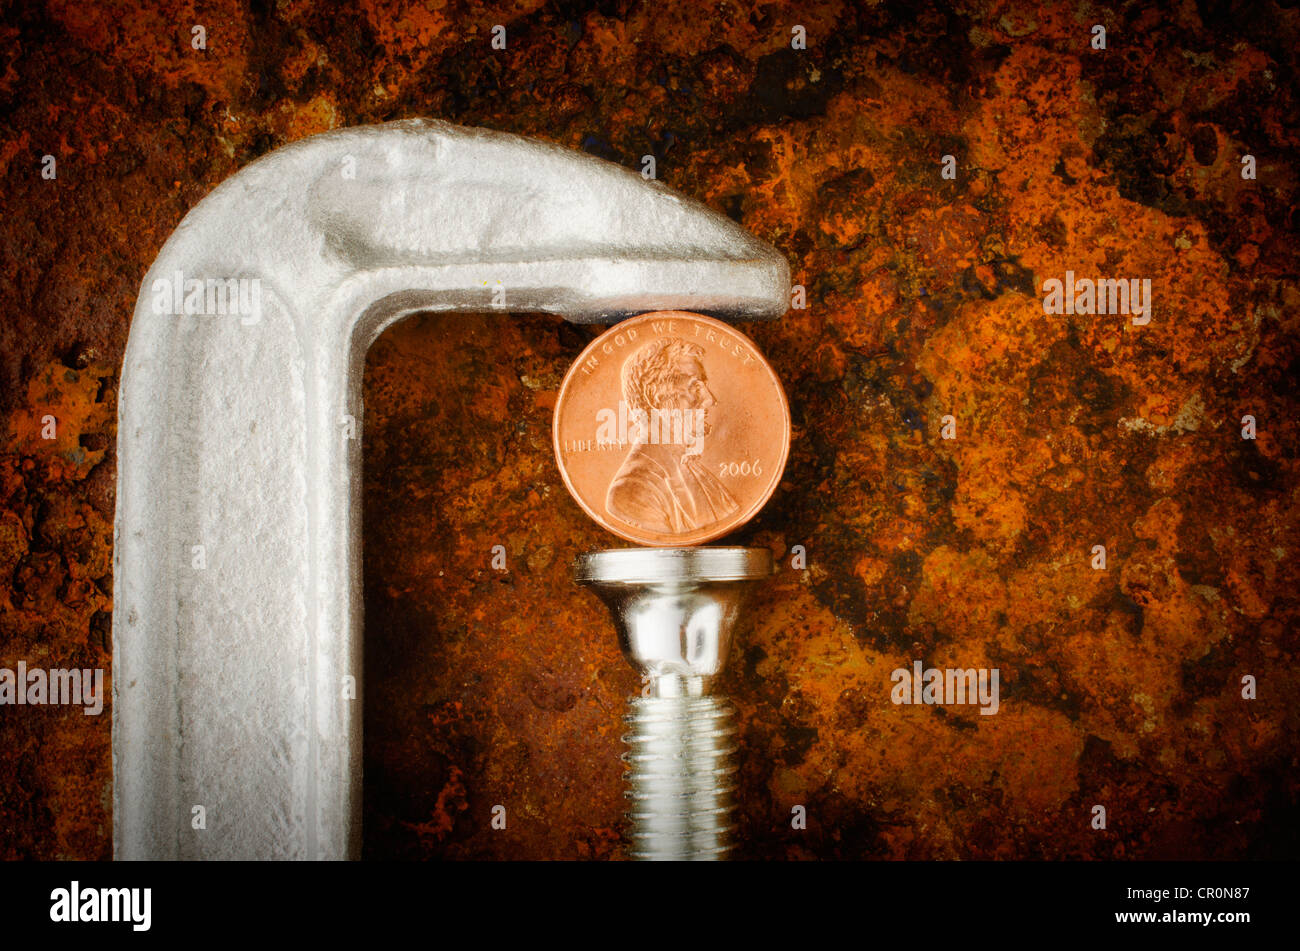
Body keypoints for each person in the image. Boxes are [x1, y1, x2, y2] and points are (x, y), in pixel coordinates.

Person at [606, 338, 740, 534]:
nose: (710, 400)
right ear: (654, 396)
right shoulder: (630, 492)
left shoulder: (691, 467)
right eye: (695, 387)